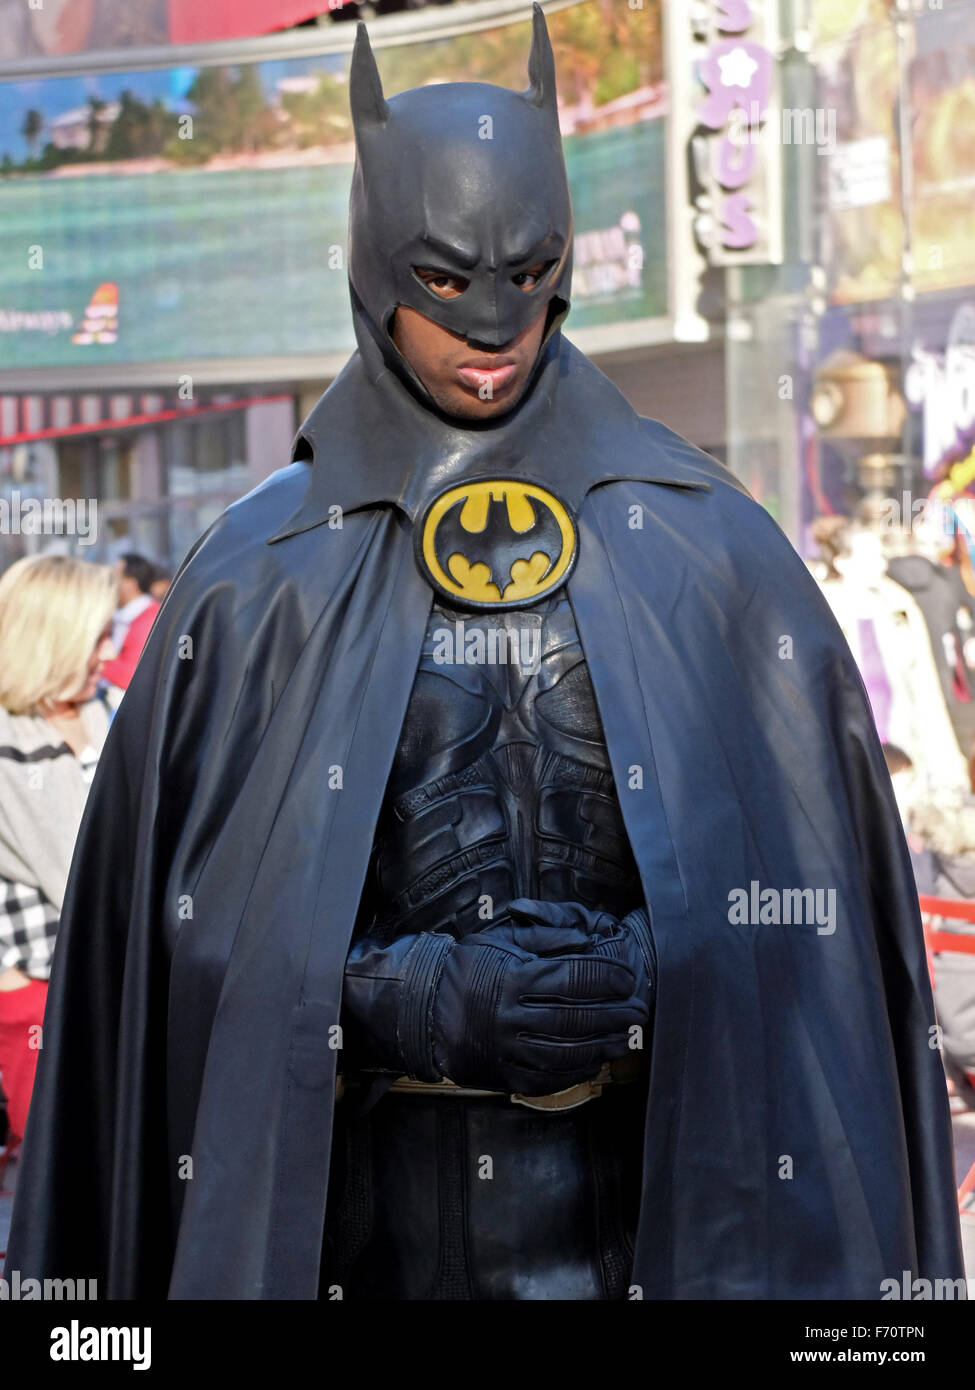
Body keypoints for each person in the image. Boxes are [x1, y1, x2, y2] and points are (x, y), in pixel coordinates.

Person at [5, 9, 964, 1300]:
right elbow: (171, 967)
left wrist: (650, 970)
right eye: (447, 278)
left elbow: (815, 948)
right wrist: (396, 1000)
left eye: (529, 267)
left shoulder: (710, 556)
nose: (496, 321)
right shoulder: (256, 589)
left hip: (658, 1234)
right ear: (375, 270)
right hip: (364, 1245)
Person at [0, 555, 116, 1146]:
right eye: (93, 638)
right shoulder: (10, 742)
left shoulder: (103, 705)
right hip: (41, 997)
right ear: (51, 641)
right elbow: (78, 870)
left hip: (104, 980)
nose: (107, 652)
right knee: (56, 1185)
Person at [100, 552, 161, 700]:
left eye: (115, 577)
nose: (110, 584)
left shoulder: (149, 619)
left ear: (131, 583)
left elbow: (130, 677)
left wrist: (100, 659)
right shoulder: (121, 615)